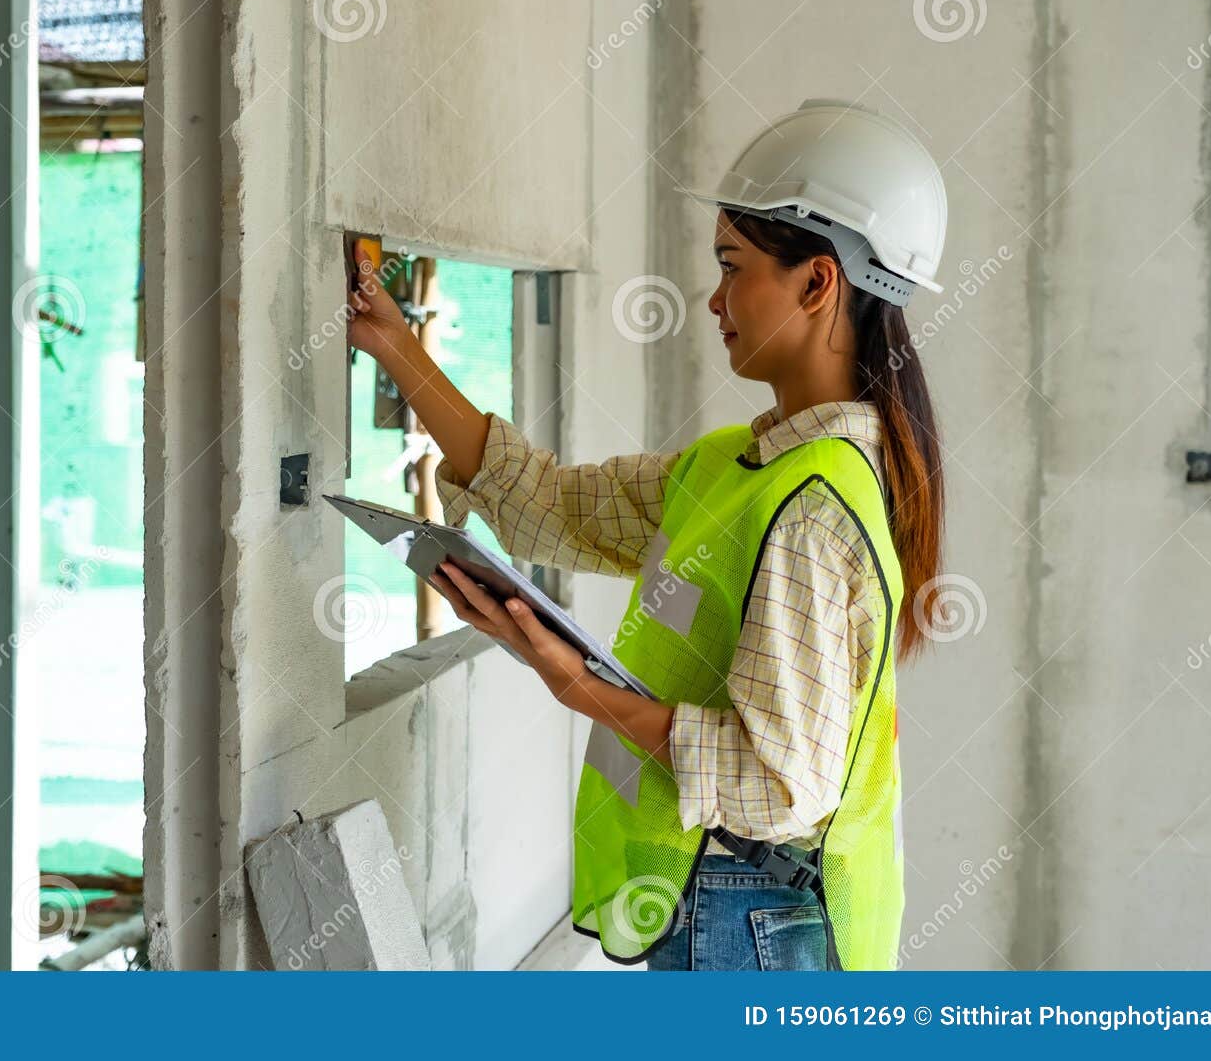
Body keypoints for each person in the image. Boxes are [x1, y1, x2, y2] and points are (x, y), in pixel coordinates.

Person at [344, 99, 948, 971]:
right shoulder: (732, 469)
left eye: (732, 266)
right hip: (733, 903)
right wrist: (396, 346)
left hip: (760, 915)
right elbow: (550, 502)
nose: (713, 298)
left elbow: (780, 783)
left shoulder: (814, 503)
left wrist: (578, 684)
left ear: (818, 283)